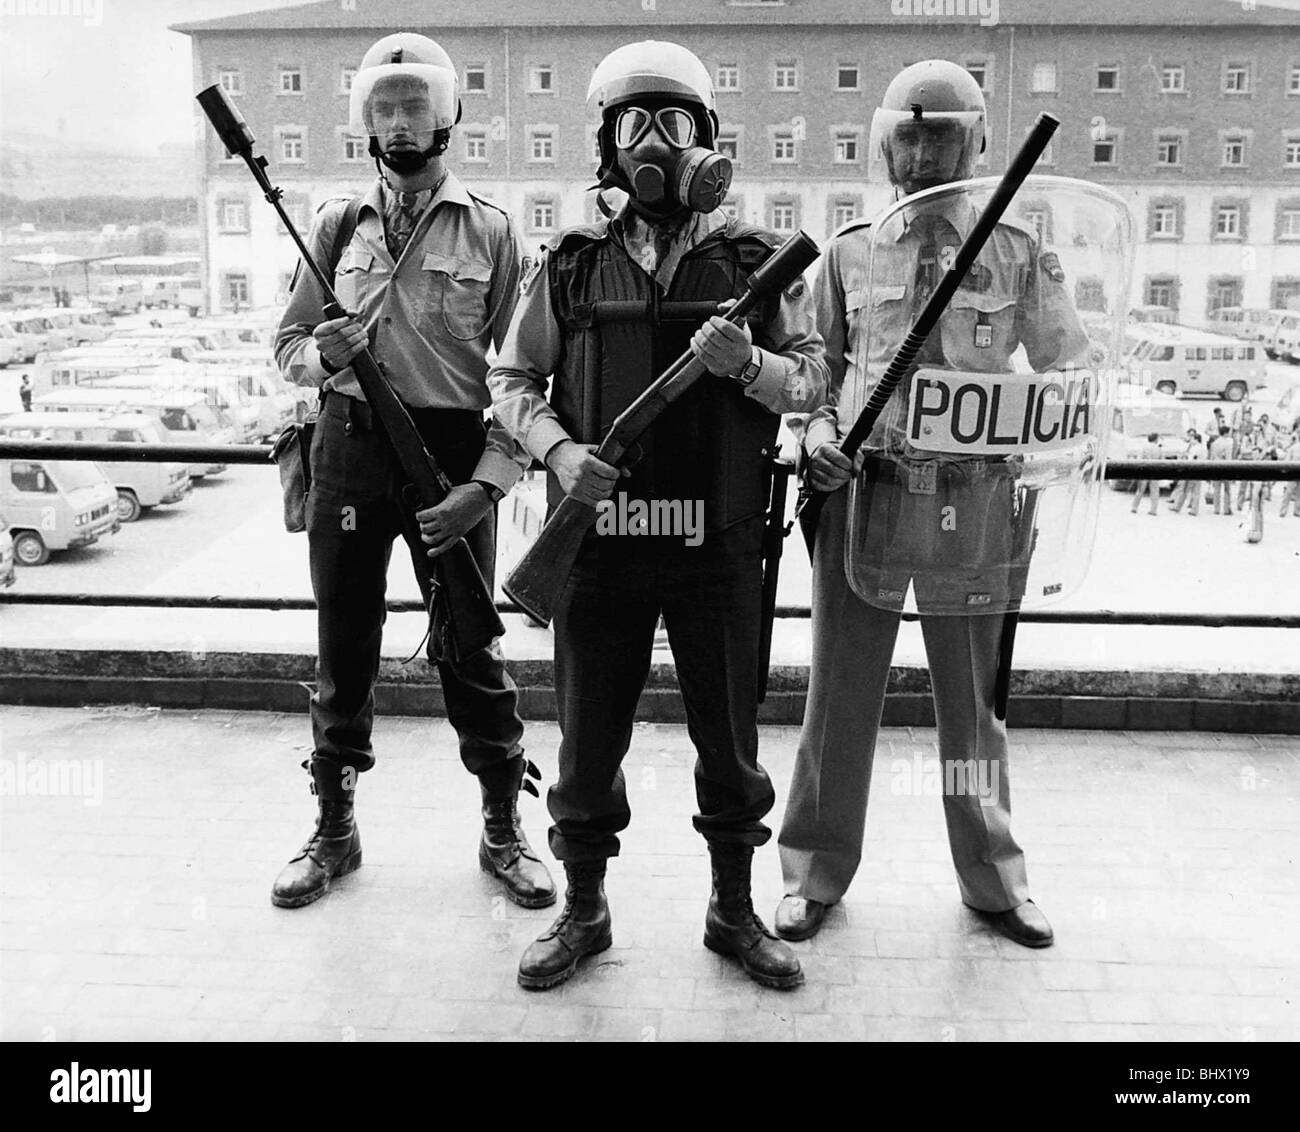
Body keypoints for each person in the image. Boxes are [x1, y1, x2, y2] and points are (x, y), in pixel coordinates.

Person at [488, 40, 829, 990]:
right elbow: (511, 381)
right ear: (606, 144)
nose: (656, 144)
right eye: (635, 123)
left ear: (706, 139)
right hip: (599, 546)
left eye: (675, 123)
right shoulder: (570, 262)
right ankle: (584, 912)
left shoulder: (756, 261)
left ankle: (732, 911)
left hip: (718, 544)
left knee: (731, 739)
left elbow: (812, 378)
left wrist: (746, 367)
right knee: (589, 738)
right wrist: (561, 453)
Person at [773, 59, 1093, 950]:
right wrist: (820, 438)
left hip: (977, 503)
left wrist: (1043, 437)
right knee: (838, 699)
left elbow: (1067, 366)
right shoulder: (848, 251)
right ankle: (812, 873)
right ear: (884, 141)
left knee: (971, 705)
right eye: (908, 134)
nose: (922, 150)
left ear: (975, 140)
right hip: (867, 494)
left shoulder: (1020, 253)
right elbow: (823, 376)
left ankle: (994, 882)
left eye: (941, 133)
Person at [271, 33, 555, 912]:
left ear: (449, 117)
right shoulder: (330, 227)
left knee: (470, 644)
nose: (400, 124)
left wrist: (490, 483)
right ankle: (333, 827)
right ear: (366, 123)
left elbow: (522, 378)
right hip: (351, 450)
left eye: (415, 107)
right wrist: (324, 356)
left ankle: (504, 824)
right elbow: (285, 348)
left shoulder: (496, 232)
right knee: (342, 642)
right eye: (384, 110)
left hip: (452, 457)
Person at [1170, 428, 1202, 515]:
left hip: (1191, 471)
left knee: (1184, 490)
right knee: (1196, 492)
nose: (1191, 441)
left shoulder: (1194, 449)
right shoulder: (1203, 448)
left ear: (1196, 440)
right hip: (1200, 472)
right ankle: (1194, 510)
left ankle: (1177, 507)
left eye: (1192, 439)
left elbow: (1190, 460)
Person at [1130, 432, 1162, 515]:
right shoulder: (1158, 449)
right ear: (1155, 439)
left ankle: (1134, 507)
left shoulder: (1144, 447)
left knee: (1140, 490)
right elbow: (1161, 460)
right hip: (1154, 471)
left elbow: (1139, 459)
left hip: (1144, 470)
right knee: (1154, 491)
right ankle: (1153, 510)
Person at [1209, 425, 1235, 515]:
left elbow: (1211, 457)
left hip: (1216, 466)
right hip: (1225, 467)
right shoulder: (1228, 444)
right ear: (1226, 433)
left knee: (1216, 489)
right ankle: (1226, 509)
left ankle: (1216, 508)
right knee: (1227, 489)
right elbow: (1228, 457)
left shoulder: (1215, 443)